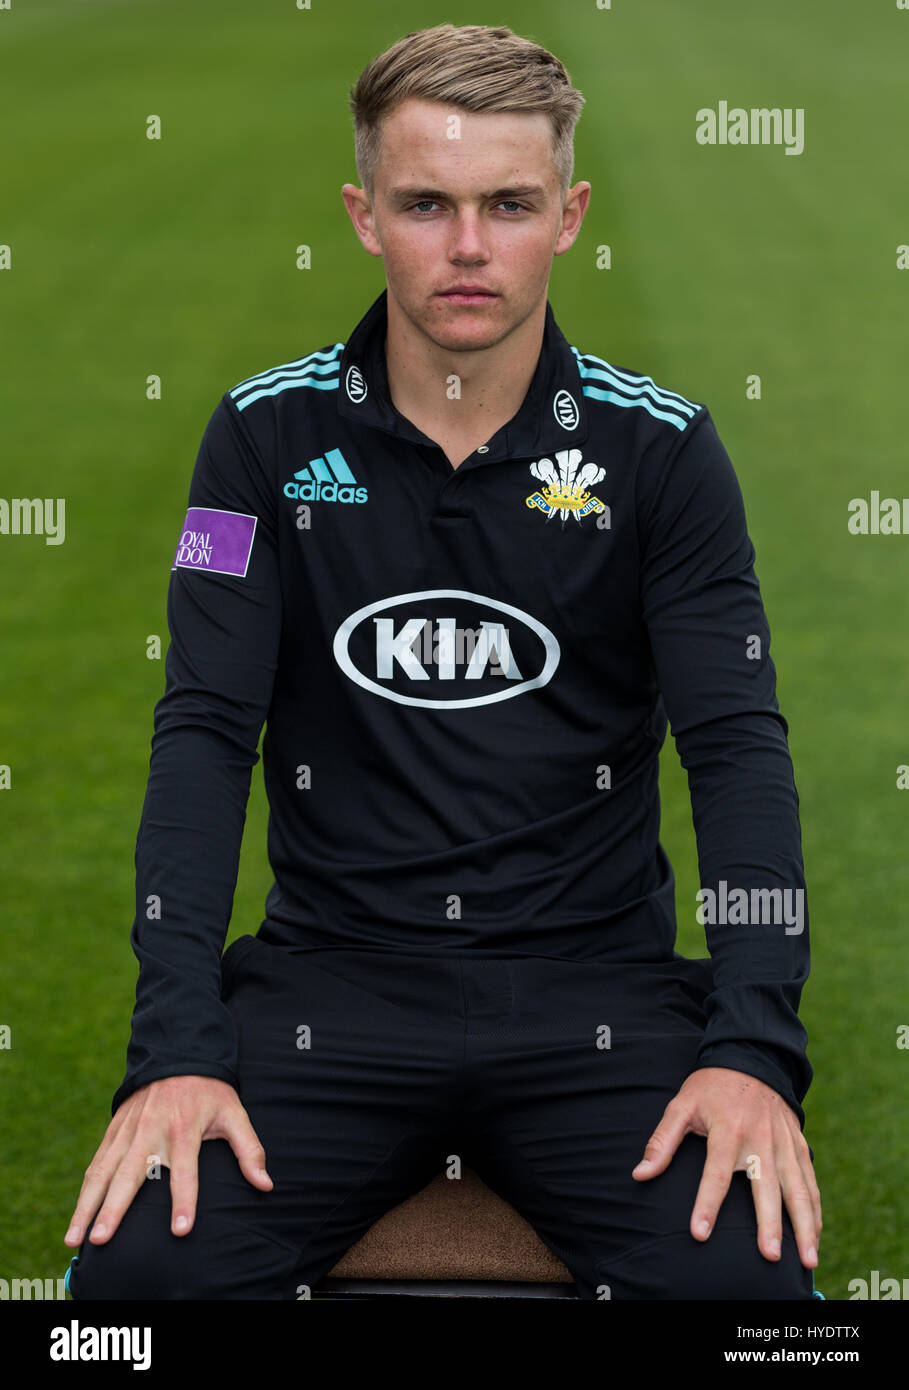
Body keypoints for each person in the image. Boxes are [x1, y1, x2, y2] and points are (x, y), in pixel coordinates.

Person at [64, 22, 822, 1301]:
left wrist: (752, 1047)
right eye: (427, 203)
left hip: (599, 994)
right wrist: (178, 1048)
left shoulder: (663, 454)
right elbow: (202, 735)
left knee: (755, 1302)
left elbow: (738, 748)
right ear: (363, 216)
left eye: (508, 205)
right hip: (331, 987)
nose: (468, 248)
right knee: (125, 1298)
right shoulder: (261, 439)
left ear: (570, 214)